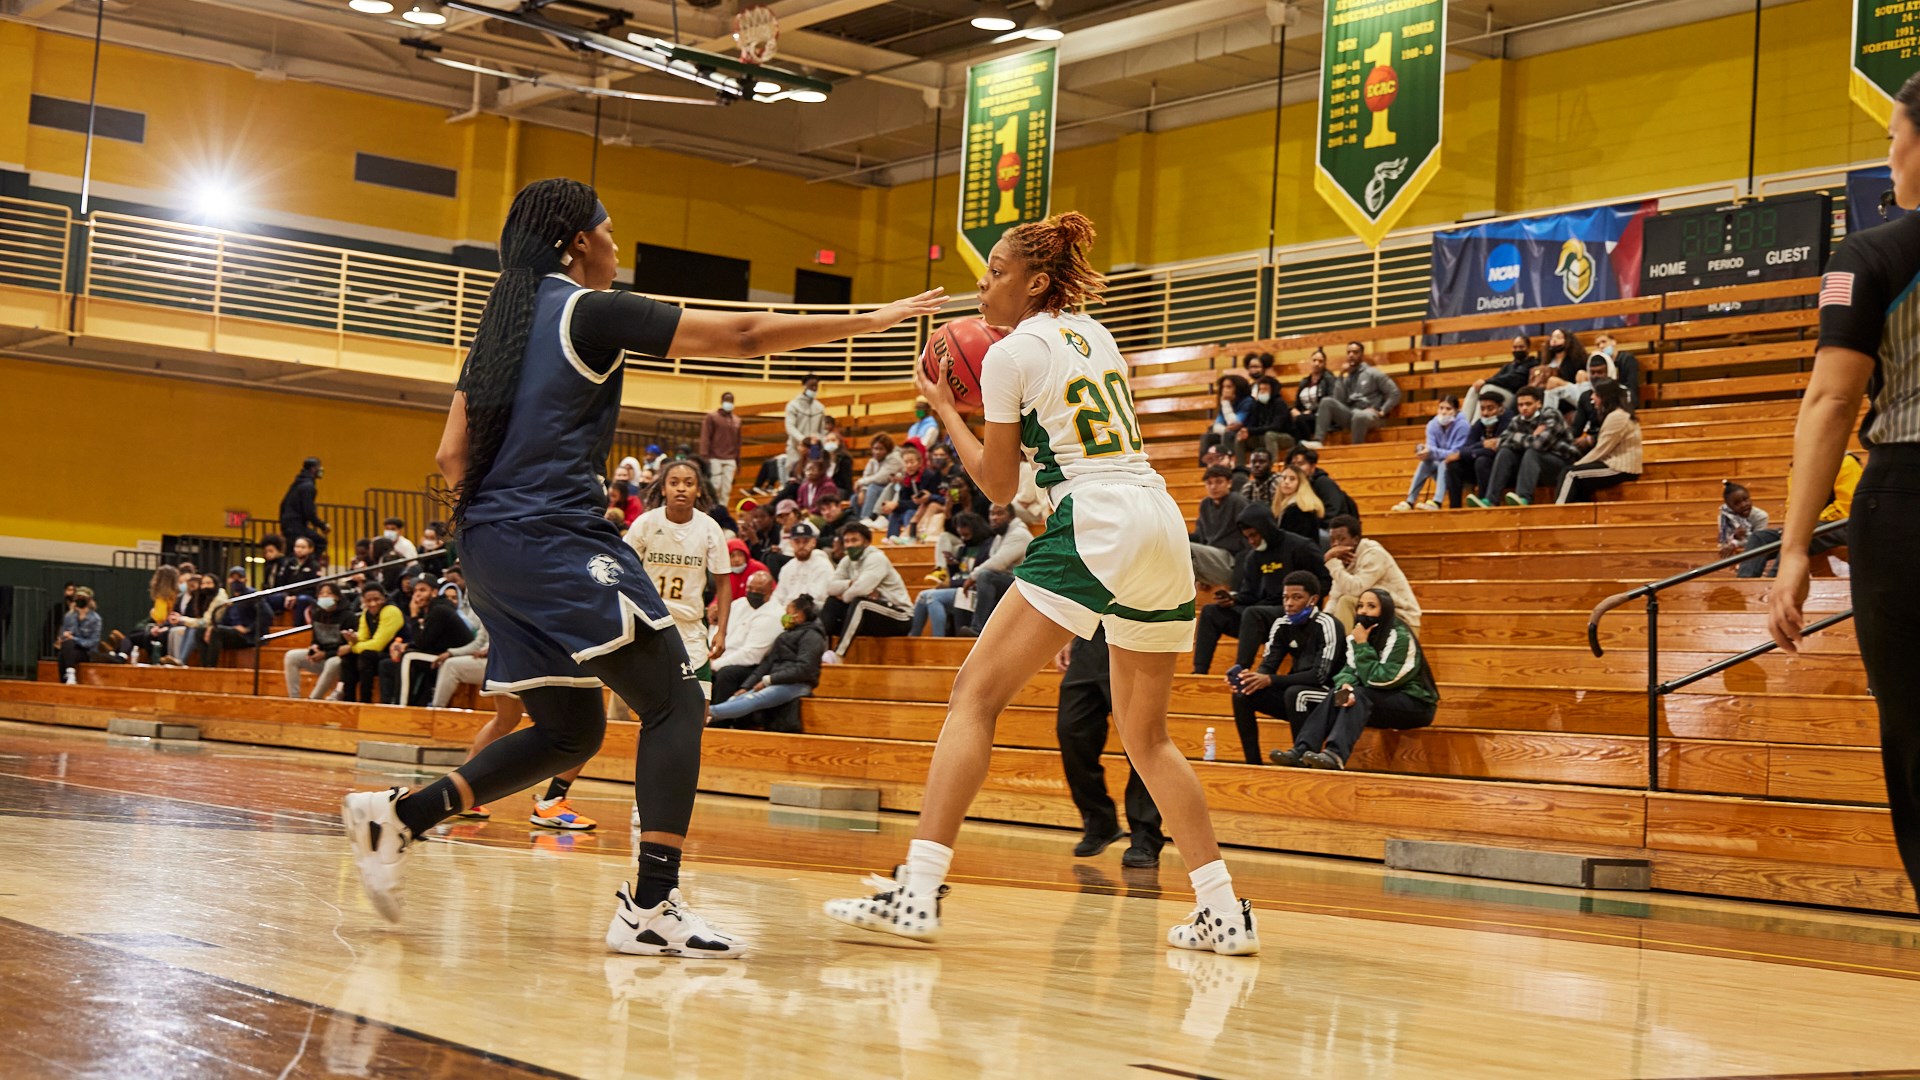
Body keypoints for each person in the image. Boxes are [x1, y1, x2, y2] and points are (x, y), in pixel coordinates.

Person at [338, 178, 947, 952]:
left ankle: (400, 816)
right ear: (576, 243)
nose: (617, 247)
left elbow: (451, 458)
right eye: (610, 231)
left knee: (569, 731)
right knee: (677, 700)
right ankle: (651, 908)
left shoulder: (498, 329)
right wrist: (875, 319)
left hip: (488, 545)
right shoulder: (587, 311)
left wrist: (507, 524)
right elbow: (744, 337)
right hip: (551, 536)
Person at [824, 211, 1259, 955]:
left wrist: (940, 409)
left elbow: (997, 487)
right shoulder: (1095, 333)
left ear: (1034, 282)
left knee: (974, 696)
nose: (983, 282)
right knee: (1148, 736)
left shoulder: (1007, 355)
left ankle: (918, 891)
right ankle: (1224, 909)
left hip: (1095, 520)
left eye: (995, 270)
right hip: (1158, 518)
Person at [1771, 73, 1920, 902]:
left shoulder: (1875, 252)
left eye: (1895, 135)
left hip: (1908, 498)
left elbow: (1831, 399)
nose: (1890, 153)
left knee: (1914, 730)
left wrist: (1795, 547)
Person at [1271, 588, 1438, 770]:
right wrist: (1346, 686)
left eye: (1371, 606)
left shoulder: (1399, 636)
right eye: (1360, 606)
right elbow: (1348, 670)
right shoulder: (1357, 635)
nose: (1364, 611)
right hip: (1377, 701)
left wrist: (1362, 646)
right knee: (1339, 694)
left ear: (1386, 610)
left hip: (1414, 704)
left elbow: (1382, 679)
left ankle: (1335, 755)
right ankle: (1302, 750)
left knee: (1358, 695)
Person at [1054, 627, 1164, 868]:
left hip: (1137, 633)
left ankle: (1145, 837)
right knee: (1071, 730)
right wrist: (1067, 635)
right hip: (1091, 637)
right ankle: (1100, 821)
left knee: (1141, 741)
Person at [626, 459, 733, 702]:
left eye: (688, 483)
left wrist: (722, 632)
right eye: (674, 483)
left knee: (700, 706)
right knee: (649, 707)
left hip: (691, 625)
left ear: (698, 490)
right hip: (650, 624)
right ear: (663, 488)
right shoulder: (646, 523)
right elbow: (623, 570)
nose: (681, 488)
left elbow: (724, 583)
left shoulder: (709, 527)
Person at [1193, 504, 1329, 676]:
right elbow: (1249, 594)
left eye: (1254, 535)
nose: (1251, 541)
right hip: (1262, 615)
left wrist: (1308, 605)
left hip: (1293, 612)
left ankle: (1241, 671)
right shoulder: (1253, 557)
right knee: (1211, 612)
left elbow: (1325, 580)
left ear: (1266, 528)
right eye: (1247, 537)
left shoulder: (1300, 546)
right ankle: (1199, 672)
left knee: (1253, 613)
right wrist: (1233, 600)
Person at [1227, 571, 1346, 766]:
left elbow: (1319, 676)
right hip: (1298, 692)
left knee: (1296, 694)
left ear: (1313, 600)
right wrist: (1251, 678)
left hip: (1332, 695)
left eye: (1296, 597)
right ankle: (1253, 763)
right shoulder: (1281, 624)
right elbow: (1268, 665)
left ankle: (1301, 759)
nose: (1288, 603)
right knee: (1243, 694)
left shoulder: (1327, 624)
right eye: (1285, 597)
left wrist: (1271, 680)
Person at [707, 595, 827, 732]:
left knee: (755, 698)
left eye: (788, 613)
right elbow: (768, 663)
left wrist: (769, 680)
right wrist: (746, 686)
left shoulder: (813, 636)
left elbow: (804, 669)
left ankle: (707, 713)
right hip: (776, 681)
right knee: (739, 697)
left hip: (798, 684)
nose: (785, 616)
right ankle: (709, 715)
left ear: (798, 616)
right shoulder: (784, 635)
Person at [1742, 456, 1859, 577]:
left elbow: (1847, 508)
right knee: (1760, 538)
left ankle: (1773, 584)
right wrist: (1791, 526)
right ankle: (1743, 589)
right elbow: (1792, 506)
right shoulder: (1797, 467)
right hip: (1809, 527)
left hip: (1845, 525)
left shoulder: (1845, 462)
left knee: (1800, 532)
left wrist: (1805, 523)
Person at [1471, 385, 1578, 507]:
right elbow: (1501, 443)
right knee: (1506, 452)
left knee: (1532, 452)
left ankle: (1524, 498)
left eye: (1528, 404)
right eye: (1520, 405)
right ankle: (1491, 499)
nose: (1524, 408)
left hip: (1561, 464)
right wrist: (1531, 437)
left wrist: (1516, 437)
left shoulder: (1551, 414)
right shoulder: (1517, 420)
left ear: (1538, 403)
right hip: (1532, 466)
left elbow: (1539, 444)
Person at [382, 577, 475, 706]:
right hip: (443, 654)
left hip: (457, 656)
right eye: (415, 591)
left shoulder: (439, 610)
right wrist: (406, 645)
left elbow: (422, 643)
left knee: (408, 657)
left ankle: (401, 706)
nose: (417, 594)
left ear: (434, 593)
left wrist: (413, 615)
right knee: (406, 655)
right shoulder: (435, 609)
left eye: (422, 590)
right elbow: (427, 641)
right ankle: (415, 704)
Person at [821, 521, 912, 650]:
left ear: (866, 542)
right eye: (847, 541)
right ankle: (820, 651)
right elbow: (830, 588)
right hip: (872, 615)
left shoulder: (877, 558)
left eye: (854, 540)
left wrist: (846, 595)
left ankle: (838, 654)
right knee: (832, 603)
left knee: (860, 603)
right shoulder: (846, 561)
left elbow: (860, 590)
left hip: (899, 616)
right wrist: (851, 583)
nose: (850, 545)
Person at [1324, 515, 1421, 631]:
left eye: (1341, 539)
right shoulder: (1341, 561)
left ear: (1355, 540)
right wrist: (1325, 620)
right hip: (1373, 615)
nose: (1335, 545)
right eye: (1332, 540)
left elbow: (1356, 589)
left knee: (1346, 601)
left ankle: (1341, 648)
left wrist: (1331, 562)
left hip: (1401, 617)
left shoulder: (1374, 553)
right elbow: (1335, 596)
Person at [1556, 380, 1642, 504]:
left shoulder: (1617, 417)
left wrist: (1577, 465)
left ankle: (1556, 514)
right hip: (1616, 465)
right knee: (1579, 480)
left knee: (1570, 473)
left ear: (1605, 397)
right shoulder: (1618, 414)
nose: (1592, 397)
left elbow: (1601, 450)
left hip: (1621, 468)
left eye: (1595, 394)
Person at [709, 570, 785, 704]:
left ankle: (719, 721)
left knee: (727, 674)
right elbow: (718, 631)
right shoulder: (738, 604)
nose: (753, 593)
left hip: (752, 666)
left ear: (770, 592)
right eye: (750, 588)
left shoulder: (774, 614)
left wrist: (716, 664)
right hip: (722, 657)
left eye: (759, 590)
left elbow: (752, 655)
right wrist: (710, 656)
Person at [911, 512, 992, 637]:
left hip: (974, 592)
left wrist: (950, 583)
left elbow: (977, 577)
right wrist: (951, 565)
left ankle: (938, 641)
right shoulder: (963, 549)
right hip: (959, 589)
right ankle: (913, 637)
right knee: (922, 596)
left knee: (933, 597)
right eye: (960, 531)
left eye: (964, 530)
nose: (962, 534)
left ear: (975, 527)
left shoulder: (987, 547)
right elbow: (958, 574)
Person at [1309, 341, 1400, 447]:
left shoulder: (1373, 373)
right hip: (1351, 414)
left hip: (1370, 415)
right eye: (1349, 352)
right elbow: (1339, 400)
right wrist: (1341, 375)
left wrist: (1382, 411)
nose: (1351, 355)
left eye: (1355, 352)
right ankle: (1318, 441)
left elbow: (1394, 392)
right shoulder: (1348, 377)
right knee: (1326, 402)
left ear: (1361, 354)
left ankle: (1356, 448)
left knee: (1359, 415)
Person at [1392, 395, 1468, 512]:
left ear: (1456, 411)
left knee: (1445, 463)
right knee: (1426, 463)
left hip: (1458, 466)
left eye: (1448, 409)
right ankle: (1410, 501)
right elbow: (1430, 447)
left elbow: (1455, 452)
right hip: (1439, 464)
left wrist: (1431, 452)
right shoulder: (1432, 425)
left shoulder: (1463, 425)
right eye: (1441, 408)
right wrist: (1424, 452)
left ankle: (1437, 501)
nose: (1444, 412)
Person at [1446, 383, 1511, 508]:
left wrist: (1466, 453)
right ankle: (1454, 507)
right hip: (1479, 469)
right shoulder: (1479, 424)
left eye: (1490, 408)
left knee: (1482, 460)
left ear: (1501, 409)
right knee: (1453, 464)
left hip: (1503, 472)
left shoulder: (1508, 421)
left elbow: (1495, 451)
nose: (1485, 413)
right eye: (1482, 409)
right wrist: (1482, 444)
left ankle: (1486, 500)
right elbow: (1465, 447)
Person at [285, 581, 353, 699]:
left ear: (337, 597)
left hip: (341, 661)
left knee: (334, 662)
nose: (325, 596)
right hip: (321, 657)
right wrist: (314, 647)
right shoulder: (317, 614)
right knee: (291, 656)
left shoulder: (348, 617)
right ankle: (294, 698)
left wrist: (325, 654)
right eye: (321, 594)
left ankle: (313, 700)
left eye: (329, 593)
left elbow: (348, 648)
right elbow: (316, 639)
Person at [339, 582, 402, 702]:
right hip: (379, 652)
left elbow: (378, 645)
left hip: (397, 652)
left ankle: (365, 700)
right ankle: (348, 700)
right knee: (348, 658)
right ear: (363, 601)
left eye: (377, 599)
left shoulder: (391, 611)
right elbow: (362, 637)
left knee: (366, 655)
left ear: (384, 597)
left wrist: (351, 647)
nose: (373, 603)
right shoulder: (366, 613)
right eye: (368, 600)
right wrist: (352, 640)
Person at [1189, 464, 1250, 561]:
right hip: (1210, 553)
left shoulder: (1237, 501)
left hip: (1231, 556)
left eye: (1219, 482)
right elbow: (1199, 536)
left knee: (1189, 550)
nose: (1213, 487)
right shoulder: (1205, 504)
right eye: (1209, 483)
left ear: (1229, 483)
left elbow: (1248, 536)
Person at [1285, 447, 1359, 525]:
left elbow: (1333, 512)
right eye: (1292, 464)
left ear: (1313, 466)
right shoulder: (1290, 484)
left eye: (1301, 464)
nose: (1296, 468)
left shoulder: (1324, 482)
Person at [769, 521, 832, 610]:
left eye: (805, 541)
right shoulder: (787, 568)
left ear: (813, 542)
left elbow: (816, 597)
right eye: (797, 541)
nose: (801, 546)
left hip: (811, 613)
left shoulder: (823, 565)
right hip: (785, 612)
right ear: (791, 543)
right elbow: (778, 596)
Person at [278, 457, 330, 561]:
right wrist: (322, 525)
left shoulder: (297, 484)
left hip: (288, 524)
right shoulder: (308, 487)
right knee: (320, 542)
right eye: (319, 467)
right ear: (313, 469)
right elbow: (309, 512)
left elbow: (282, 504)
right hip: (297, 525)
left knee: (291, 551)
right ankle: (308, 566)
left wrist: (283, 524)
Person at [129, 566, 179, 665]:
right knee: (137, 632)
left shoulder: (163, 596)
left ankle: (119, 652)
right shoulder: (175, 593)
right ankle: (118, 652)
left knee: (136, 635)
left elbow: (160, 617)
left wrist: (153, 613)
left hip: (164, 624)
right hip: (165, 623)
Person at [1197, 375, 1251, 465]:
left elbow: (1235, 422)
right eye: (1223, 387)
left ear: (1238, 388)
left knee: (1228, 435)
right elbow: (1217, 425)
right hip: (1228, 432)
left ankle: (1228, 465)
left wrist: (1225, 403)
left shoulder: (1247, 402)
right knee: (1207, 437)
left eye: (1229, 387)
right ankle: (1203, 468)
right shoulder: (1228, 402)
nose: (1224, 390)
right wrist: (1225, 429)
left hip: (1245, 434)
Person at [783, 375, 826, 487]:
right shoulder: (793, 405)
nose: (814, 389)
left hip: (813, 449)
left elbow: (822, 430)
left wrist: (818, 441)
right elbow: (790, 427)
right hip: (796, 447)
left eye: (816, 386)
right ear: (804, 385)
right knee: (792, 477)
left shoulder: (820, 408)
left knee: (812, 477)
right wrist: (803, 440)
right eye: (811, 385)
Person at [853, 433, 905, 521]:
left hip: (893, 490)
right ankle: (856, 521)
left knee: (873, 488)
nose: (877, 452)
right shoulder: (872, 461)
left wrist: (860, 482)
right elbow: (867, 476)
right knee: (855, 497)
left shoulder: (894, 459)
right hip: (877, 488)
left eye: (881, 449)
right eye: (875, 448)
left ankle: (865, 520)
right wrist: (862, 491)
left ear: (888, 450)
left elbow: (881, 478)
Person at [700, 390, 742, 499]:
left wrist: (738, 461)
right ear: (722, 401)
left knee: (726, 489)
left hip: (730, 458)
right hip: (715, 457)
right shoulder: (712, 417)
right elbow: (705, 436)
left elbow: (738, 442)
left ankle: (722, 511)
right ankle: (712, 508)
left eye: (731, 401)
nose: (729, 403)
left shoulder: (737, 420)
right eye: (727, 400)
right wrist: (704, 456)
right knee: (716, 486)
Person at [1269, 464, 1325, 544]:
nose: (1286, 482)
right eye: (1284, 478)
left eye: (1292, 479)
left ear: (1300, 483)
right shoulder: (1285, 507)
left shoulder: (1300, 510)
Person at [56, 593, 102, 685]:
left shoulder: (95, 619)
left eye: (82, 598)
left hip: (87, 652)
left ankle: (68, 676)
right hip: (70, 648)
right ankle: (70, 674)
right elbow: (62, 633)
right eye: (77, 598)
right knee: (66, 646)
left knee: (64, 652)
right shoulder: (69, 616)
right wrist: (64, 636)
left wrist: (74, 639)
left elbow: (93, 642)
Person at [1289, 348, 1332, 444]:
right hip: (1304, 415)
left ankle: (1308, 445)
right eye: (1314, 360)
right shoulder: (1304, 381)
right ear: (1310, 362)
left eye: (1320, 361)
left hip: (1321, 416)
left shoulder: (1329, 380)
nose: (1317, 363)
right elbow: (1297, 402)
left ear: (1325, 364)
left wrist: (1312, 410)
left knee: (1300, 419)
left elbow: (1329, 399)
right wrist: (1294, 409)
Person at [1718, 482, 1770, 561]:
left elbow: (1757, 541)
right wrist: (1735, 536)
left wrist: (1734, 543)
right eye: (1736, 503)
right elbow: (1724, 541)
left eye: (1745, 499)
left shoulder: (1761, 516)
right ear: (1729, 506)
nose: (1743, 504)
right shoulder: (1725, 518)